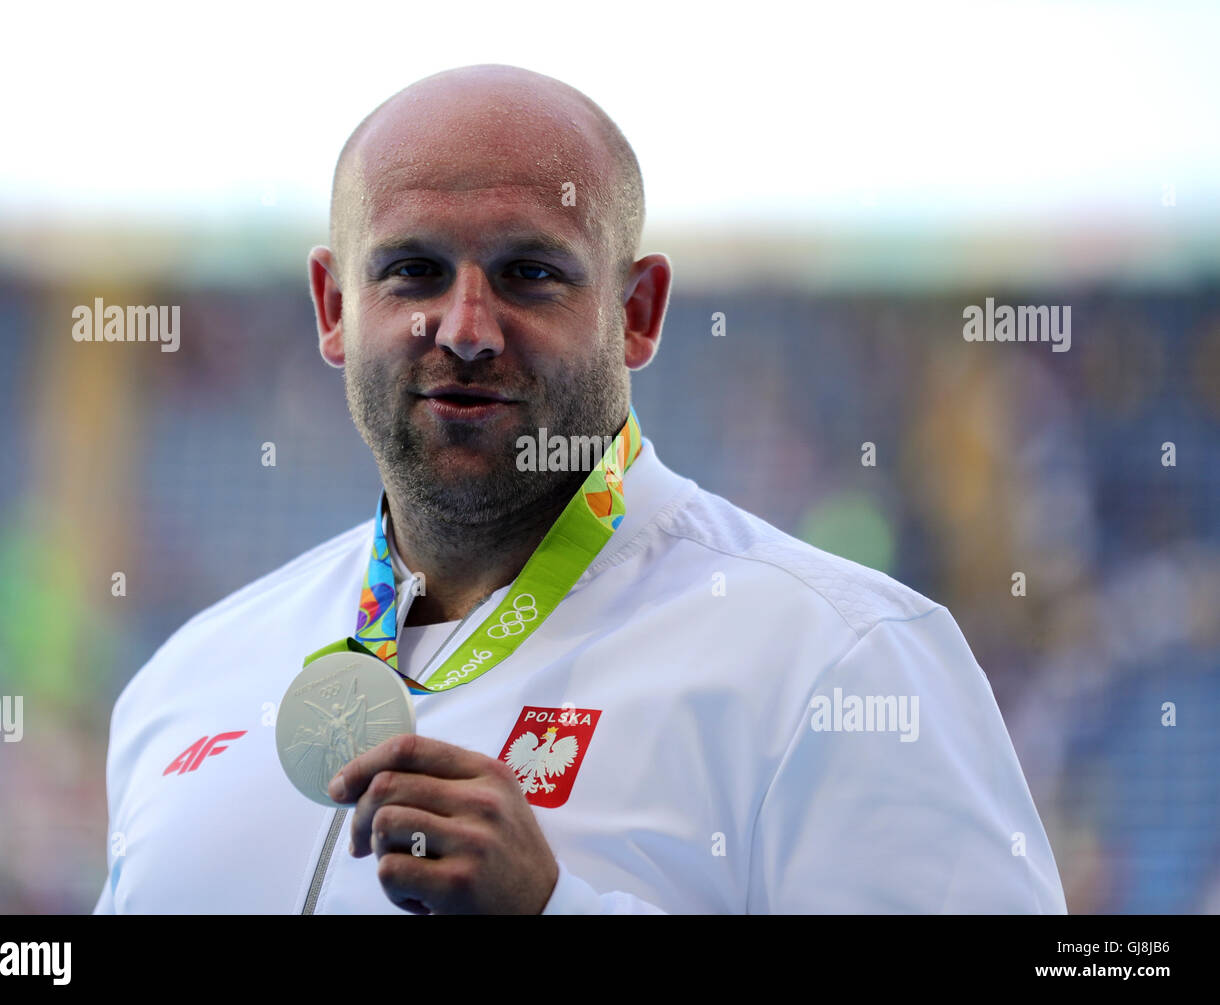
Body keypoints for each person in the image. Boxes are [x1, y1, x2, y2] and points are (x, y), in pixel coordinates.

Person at [93, 64, 1066, 914]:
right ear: (335, 307)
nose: (466, 326)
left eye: (528, 274)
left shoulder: (839, 661)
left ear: (635, 312)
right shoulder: (188, 681)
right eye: (414, 271)